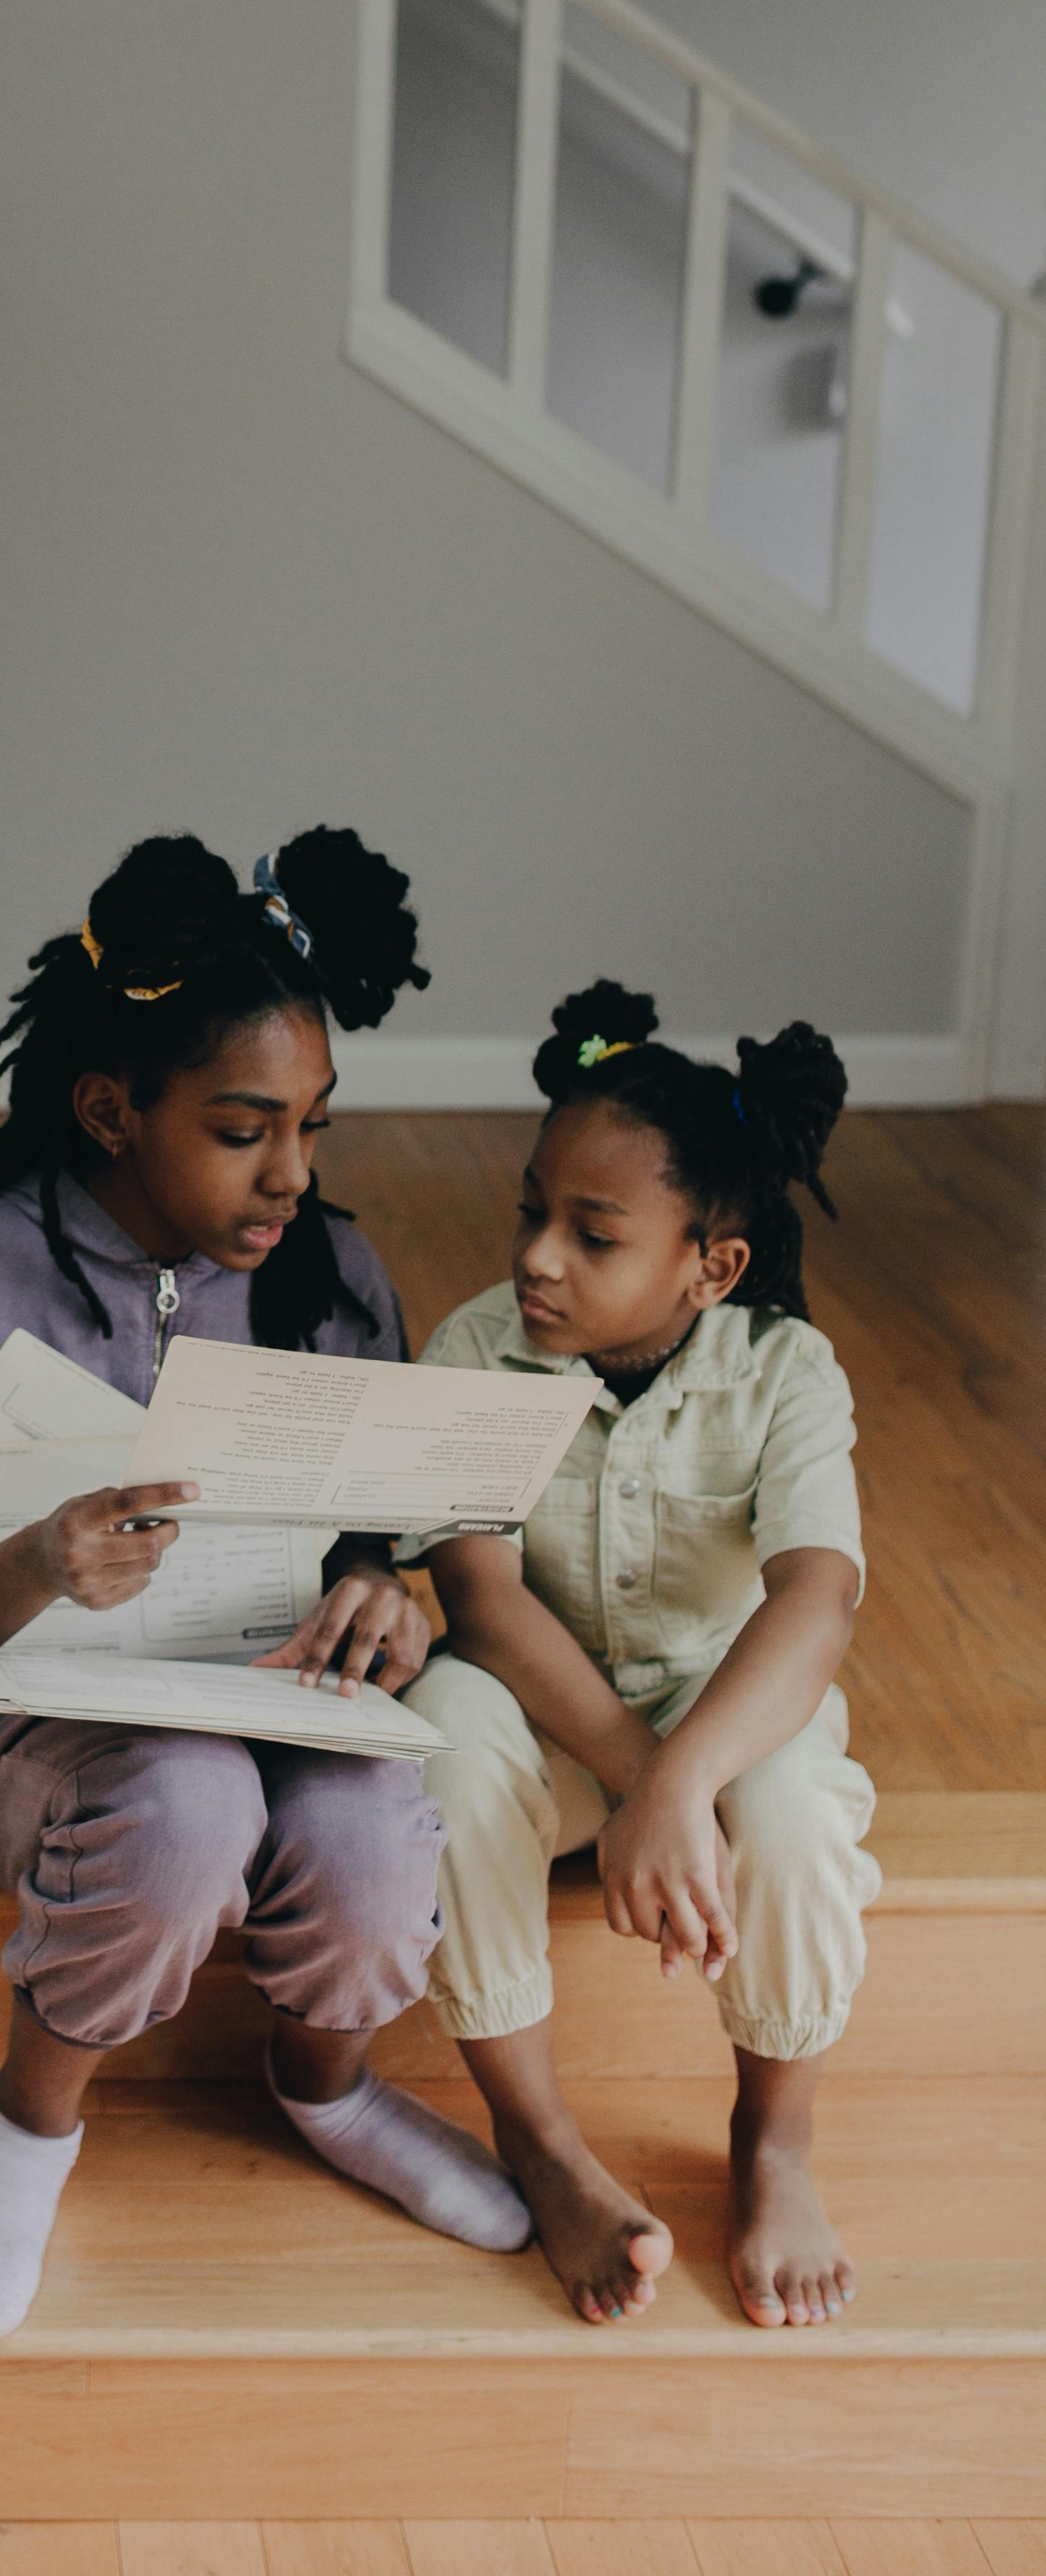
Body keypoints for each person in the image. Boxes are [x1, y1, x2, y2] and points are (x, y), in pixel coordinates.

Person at [0, 829, 532, 2340]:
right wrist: (27, 1565)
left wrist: (392, 1596)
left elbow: (373, 1549)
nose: (290, 1175)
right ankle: (23, 2127)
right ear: (110, 1109)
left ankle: (330, 2093)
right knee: (192, 1806)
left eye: (311, 1127)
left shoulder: (327, 1277)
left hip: (267, 1698)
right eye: (245, 1130)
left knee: (381, 1837)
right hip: (18, 1733)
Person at [399, 983, 873, 2333]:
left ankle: (774, 2139)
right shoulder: (475, 1353)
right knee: (442, 1730)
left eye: (591, 1234)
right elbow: (482, 1604)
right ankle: (539, 2139)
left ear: (709, 1268)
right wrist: (636, 1783)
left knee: (790, 1812)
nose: (538, 1258)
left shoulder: (787, 1370)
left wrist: (685, 1788)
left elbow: (817, 1597)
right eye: (531, 1213)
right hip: (549, 1716)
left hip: (727, 1720)